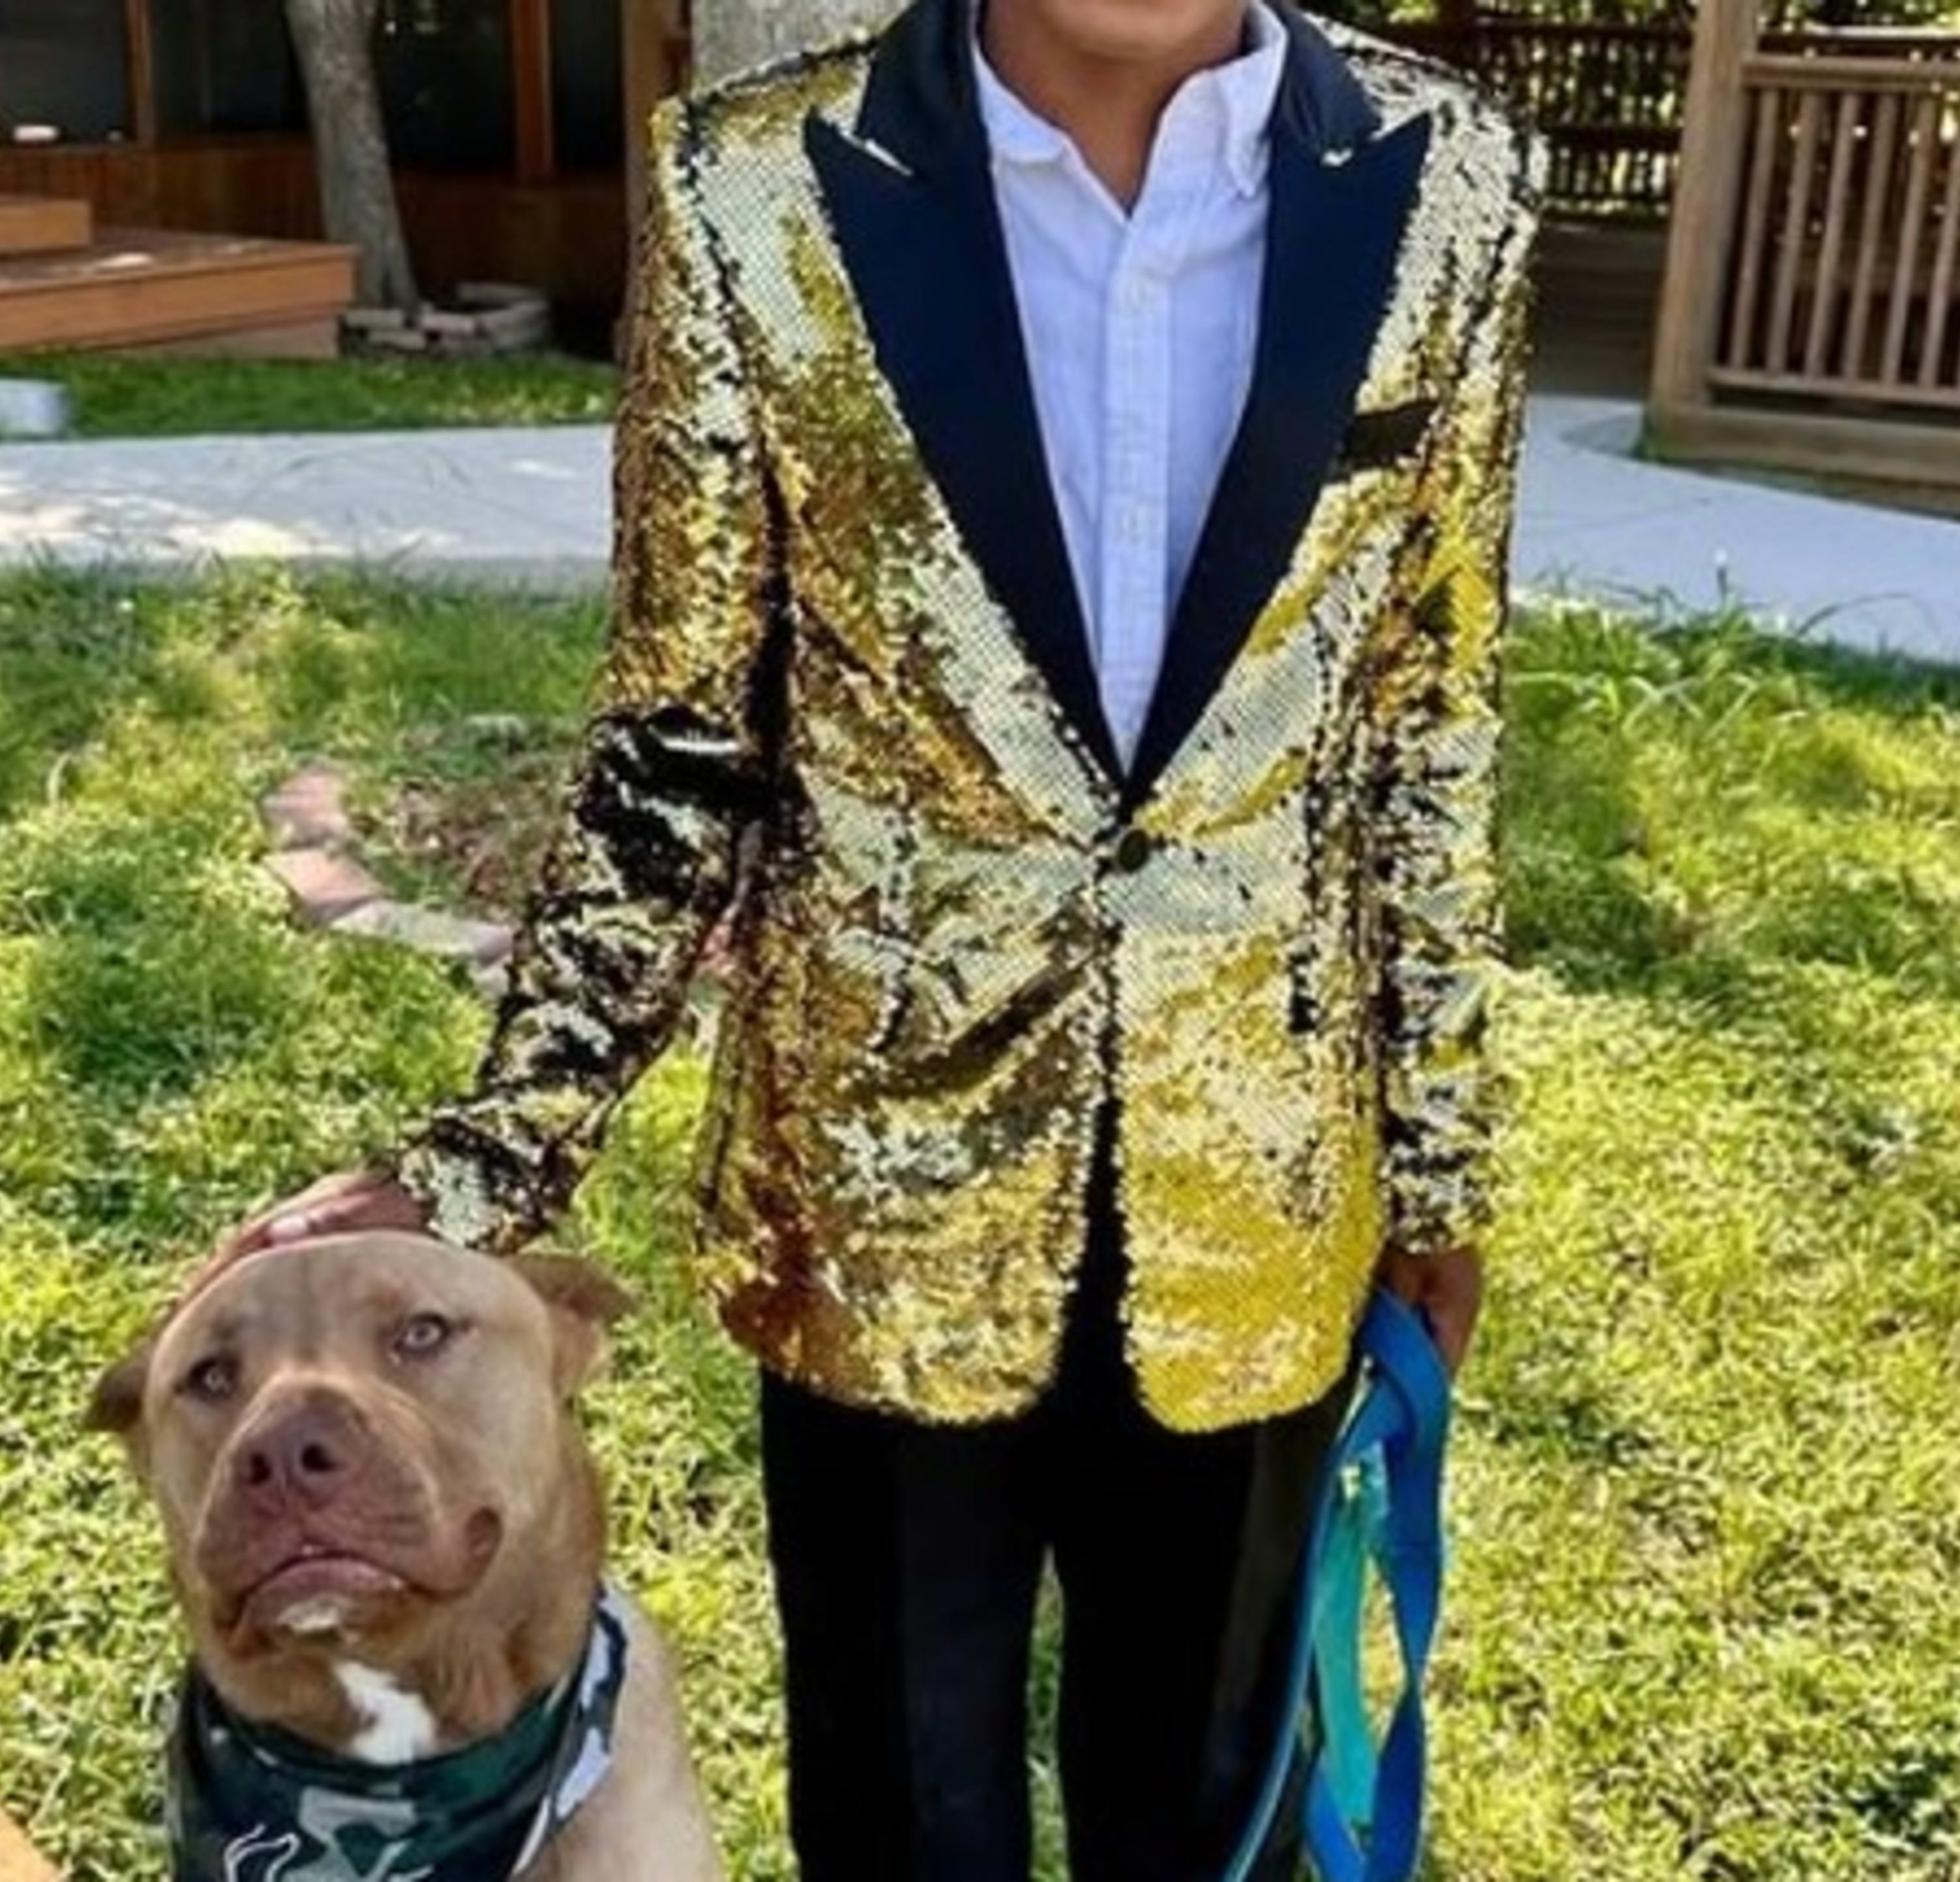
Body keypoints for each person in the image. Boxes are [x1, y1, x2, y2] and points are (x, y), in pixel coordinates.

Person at [215, 1, 1542, 1875]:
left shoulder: (1452, 174)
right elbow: (683, 746)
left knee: (1213, 1791)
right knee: (904, 1796)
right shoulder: (753, 180)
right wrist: (486, 1163)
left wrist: (1439, 1160)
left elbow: (1429, 720)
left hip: (1263, 1173)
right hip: (874, 1188)